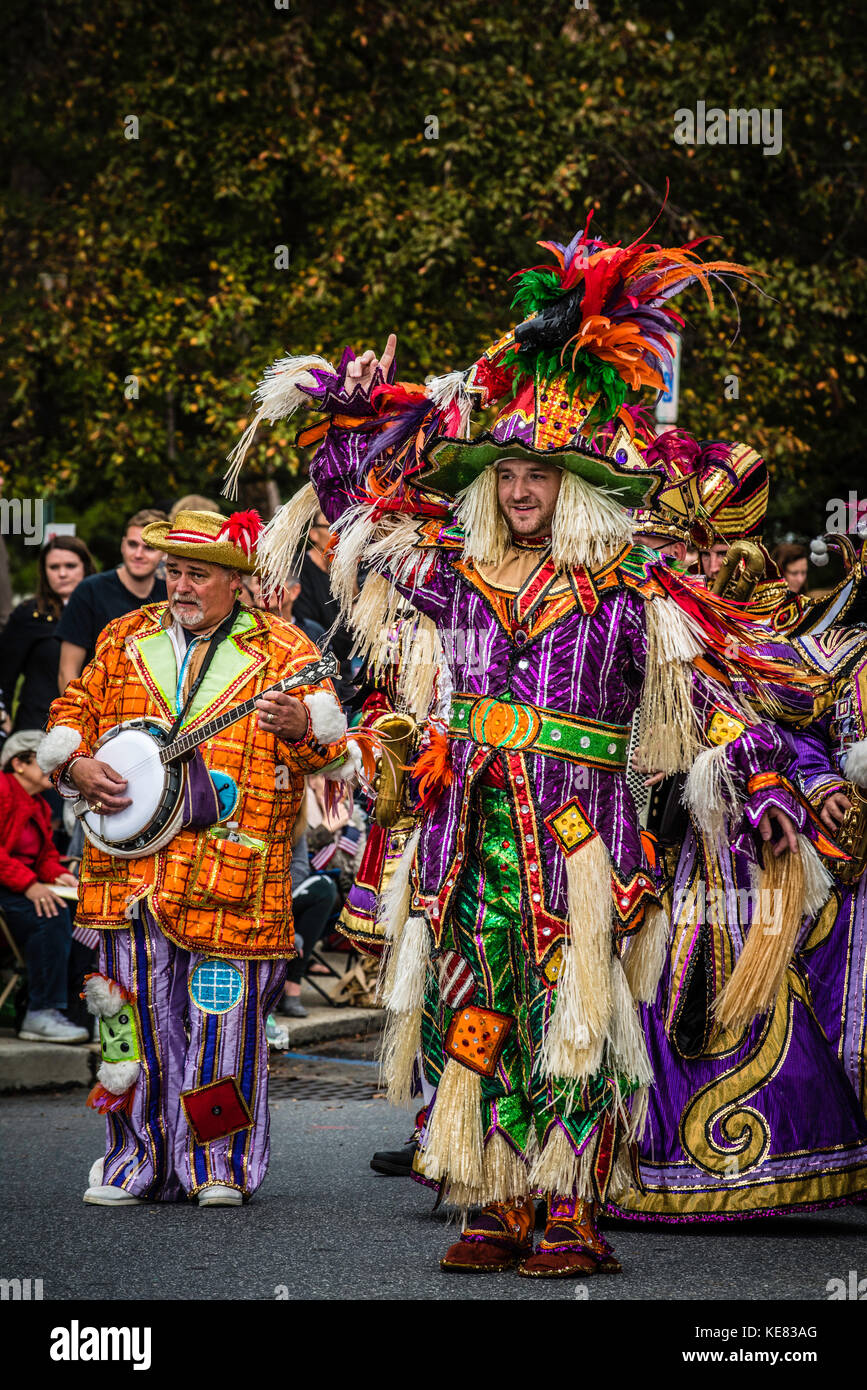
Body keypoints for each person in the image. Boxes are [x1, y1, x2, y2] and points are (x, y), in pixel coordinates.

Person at [230, 219, 818, 1275]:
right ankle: (496, 1194)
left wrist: (772, 783)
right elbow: (361, 508)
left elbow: (719, 688)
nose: (520, 492)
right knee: (478, 1001)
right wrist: (341, 411)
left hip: (581, 836)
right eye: (506, 476)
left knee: (576, 1014)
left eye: (539, 477)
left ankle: (569, 1207)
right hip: (469, 830)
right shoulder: (453, 574)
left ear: (574, 485)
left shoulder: (627, 592)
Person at [42, 508, 350, 1207]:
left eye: (197, 574)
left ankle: (218, 1164)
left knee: (225, 1031)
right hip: (129, 875)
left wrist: (304, 726)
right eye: (174, 570)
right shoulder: (124, 636)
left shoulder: (286, 650)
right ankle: (137, 1160)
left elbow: (333, 755)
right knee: (132, 1028)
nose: (179, 585)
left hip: (232, 880)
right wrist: (76, 764)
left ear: (234, 582)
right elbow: (73, 708)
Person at [0, 731, 87, 1043]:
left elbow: (46, 857)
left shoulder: (38, 805)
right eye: (44, 760)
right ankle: (41, 1011)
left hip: (17, 886)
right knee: (49, 913)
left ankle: (76, 1012)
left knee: (79, 915)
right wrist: (31, 884)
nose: (52, 768)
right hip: (8, 887)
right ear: (20, 763)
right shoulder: (2, 789)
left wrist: (57, 875)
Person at [57, 508, 169, 690]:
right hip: (97, 706)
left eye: (149, 547)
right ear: (123, 545)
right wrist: (74, 715)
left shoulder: (169, 596)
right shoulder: (90, 591)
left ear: (164, 553)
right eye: (133, 544)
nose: (138, 554)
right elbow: (67, 670)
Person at [0, 537, 95, 732]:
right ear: (44, 571)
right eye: (53, 567)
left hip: (96, 726)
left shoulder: (103, 611)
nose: (62, 574)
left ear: (85, 567)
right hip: (37, 727)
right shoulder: (28, 614)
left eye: (70, 566)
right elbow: (4, 677)